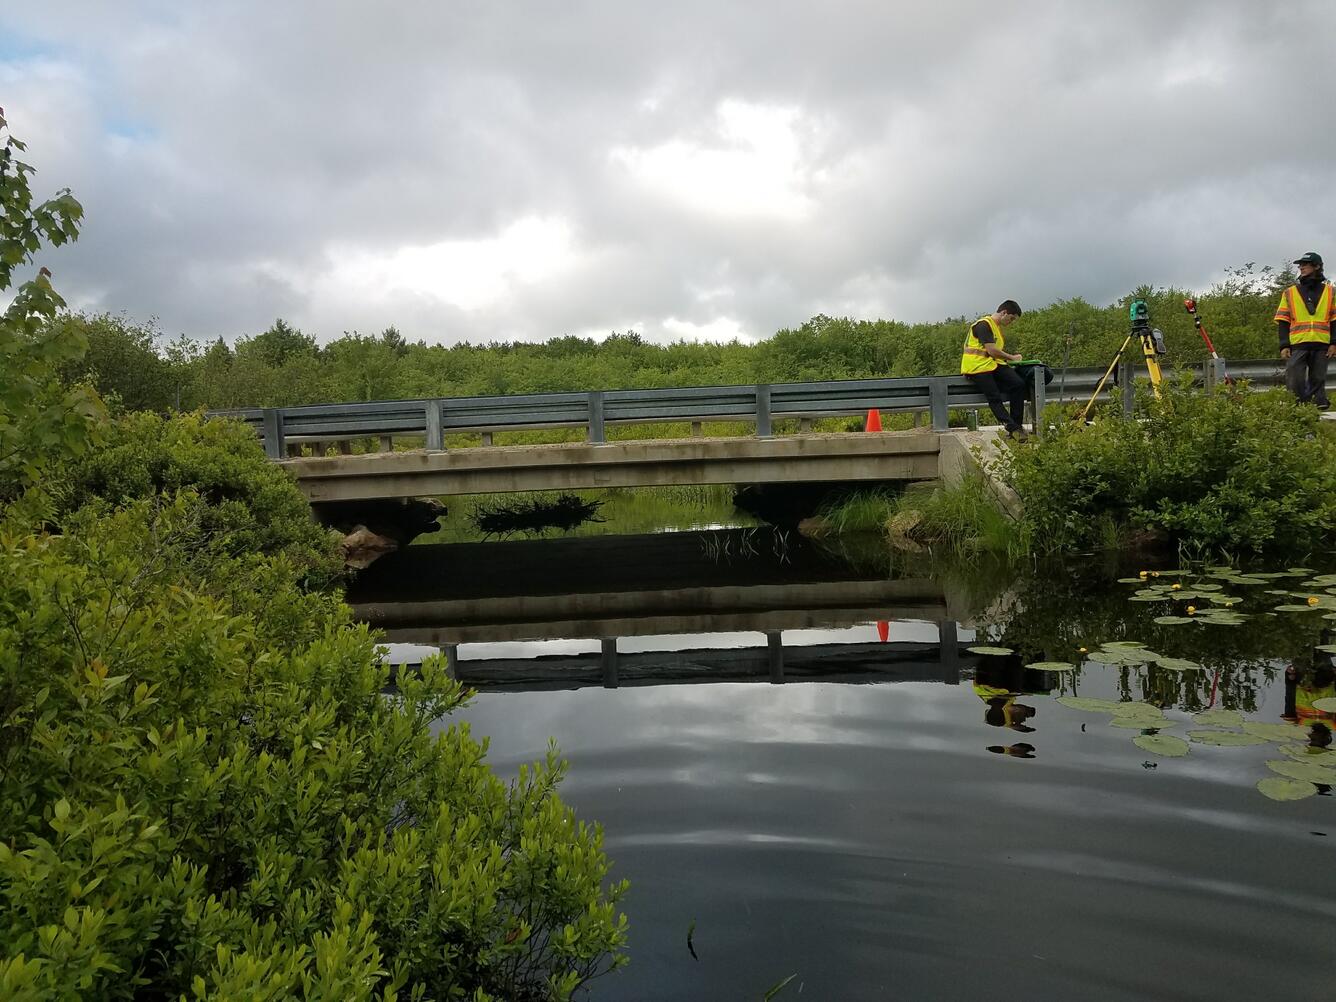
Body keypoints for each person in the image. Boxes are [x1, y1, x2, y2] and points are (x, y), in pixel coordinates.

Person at [1275, 252, 1336, 409]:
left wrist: (1334, 343)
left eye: (1305, 264)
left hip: (1322, 343)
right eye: (1300, 264)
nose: (1301, 267)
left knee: (1318, 378)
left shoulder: (1331, 292)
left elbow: (1335, 320)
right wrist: (1284, 345)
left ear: (1317, 266)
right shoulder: (1290, 292)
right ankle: (1298, 407)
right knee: (1295, 377)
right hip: (1298, 343)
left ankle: (1318, 406)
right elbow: (1283, 320)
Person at [961, 300, 1028, 440]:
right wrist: (1012, 357)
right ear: (1004, 313)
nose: (1011, 322)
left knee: (1018, 384)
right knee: (994, 396)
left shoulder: (995, 327)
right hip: (976, 366)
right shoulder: (983, 324)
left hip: (991, 364)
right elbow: (991, 350)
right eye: (1011, 318)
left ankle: (1017, 425)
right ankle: (1012, 428)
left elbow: (994, 353)